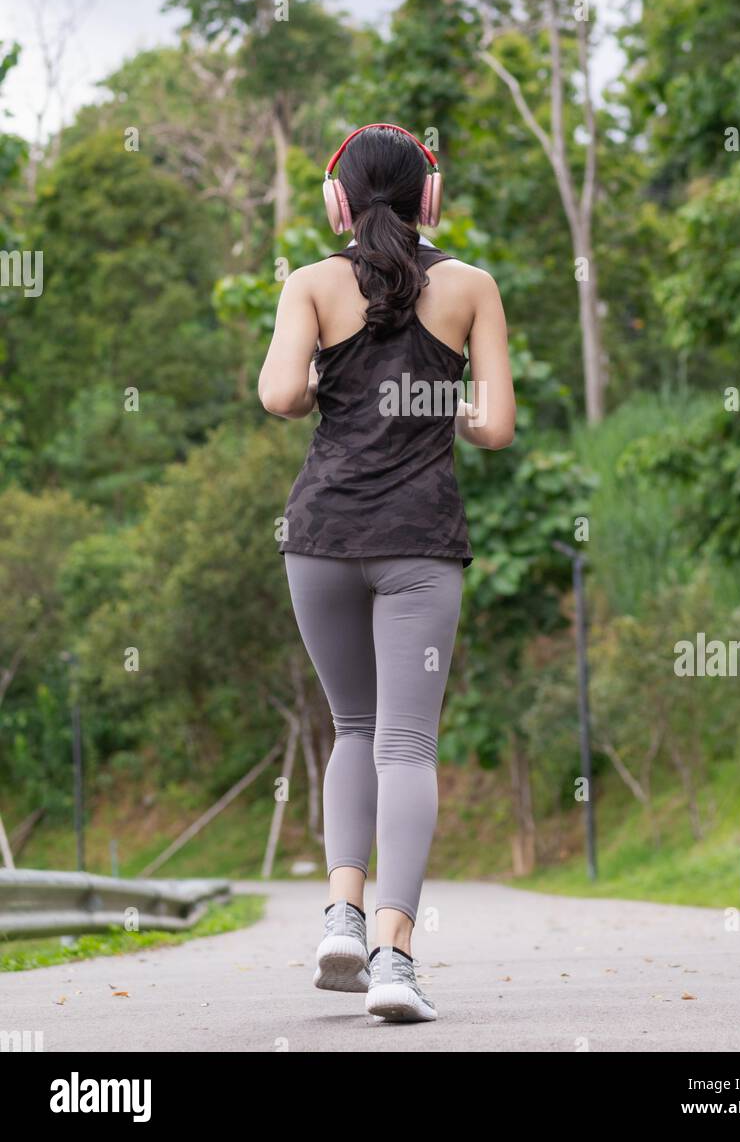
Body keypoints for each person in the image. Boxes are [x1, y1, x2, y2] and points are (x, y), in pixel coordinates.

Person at [258, 123, 515, 1022]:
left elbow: (283, 397)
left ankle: (340, 911)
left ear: (338, 202)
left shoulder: (312, 284)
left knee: (352, 727)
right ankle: (394, 959)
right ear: (430, 199)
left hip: (320, 536)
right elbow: (492, 428)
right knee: (408, 741)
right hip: (419, 544)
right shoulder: (473, 288)